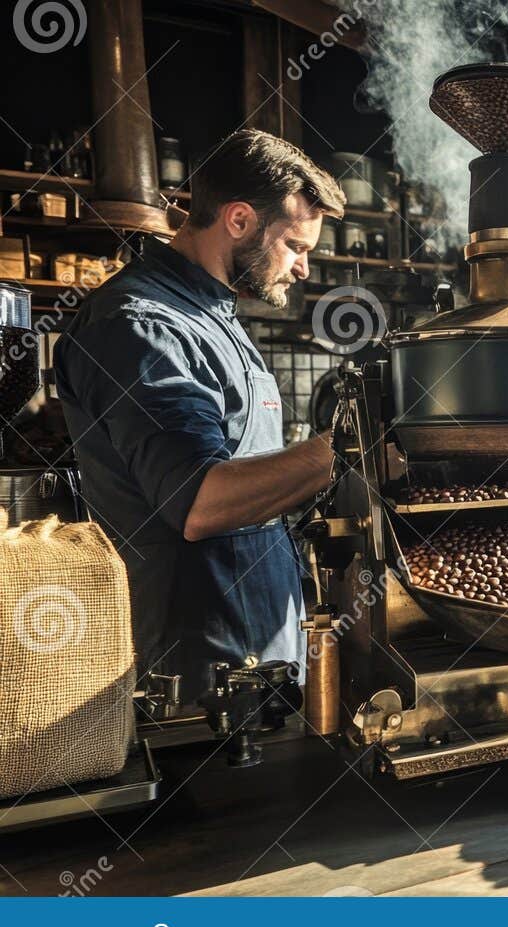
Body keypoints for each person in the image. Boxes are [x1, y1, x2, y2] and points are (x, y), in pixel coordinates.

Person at [55, 129, 345, 700]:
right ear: (238, 220)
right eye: (296, 246)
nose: (304, 268)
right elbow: (198, 502)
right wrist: (351, 449)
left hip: (258, 647)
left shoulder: (217, 316)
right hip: (193, 666)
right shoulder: (142, 326)